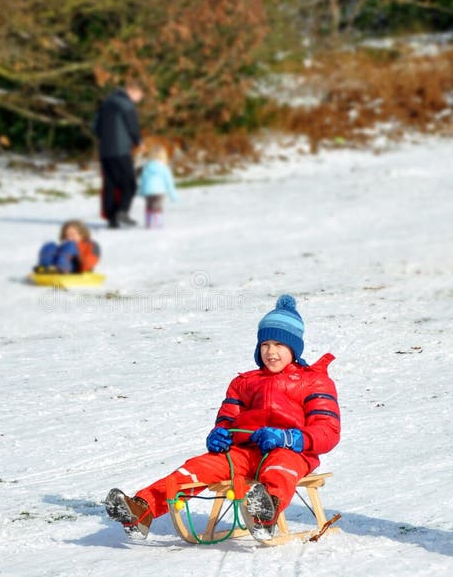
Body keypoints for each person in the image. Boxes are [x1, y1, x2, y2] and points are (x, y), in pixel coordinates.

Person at [105, 294, 340, 539]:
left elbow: (328, 430)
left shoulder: (314, 381)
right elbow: (227, 420)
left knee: (280, 468)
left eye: (279, 345)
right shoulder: (244, 383)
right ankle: (142, 510)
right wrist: (219, 434)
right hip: (243, 453)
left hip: (291, 452)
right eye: (265, 344)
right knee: (197, 467)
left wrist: (288, 438)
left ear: (294, 348)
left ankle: (264, 514)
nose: (271, 352)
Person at [93, 80, 144, 229]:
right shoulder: (126, 104)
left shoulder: (106, 103)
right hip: (120, 150)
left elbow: (96, 127)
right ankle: (122, 212)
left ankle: (111, 218)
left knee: (110, 184)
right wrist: (138, 140)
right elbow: (132, 125)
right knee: (130, 183)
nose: (139, 99)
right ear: (132, 90)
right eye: (139, 95)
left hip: (105, 151)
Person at [35, 220, 100, 274]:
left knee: (70, 245)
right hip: (57, 265)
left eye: (72, 234)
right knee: (50, 245)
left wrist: (80, 258)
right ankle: (45, 267)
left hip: (78, 267)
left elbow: (90, 261)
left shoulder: (91, 245)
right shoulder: (66, 245)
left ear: (82, 234)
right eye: (66, 235)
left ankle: (62, 268)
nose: (69, 238)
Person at [137, 143, 178, 228]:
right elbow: (169, 183)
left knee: (149, 206)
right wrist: (173, 195)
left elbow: (143, 180)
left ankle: (148, 222)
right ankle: (157, 223)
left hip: (148, 191)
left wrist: (141, 191)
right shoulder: (164, 168)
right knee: (158, 207)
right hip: (159, 191)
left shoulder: (147, 167)